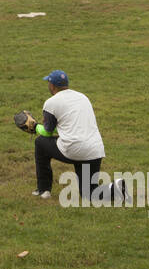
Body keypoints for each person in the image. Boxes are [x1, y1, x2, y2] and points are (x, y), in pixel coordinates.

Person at [30, 70, 130, 203]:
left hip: (73, 149)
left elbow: (48, 132)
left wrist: (34, 127)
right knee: (90, 194)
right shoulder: (83, 97)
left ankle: (43, 190)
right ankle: (116, 188)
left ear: (52, 85)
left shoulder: (51, 102)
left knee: (40, 143)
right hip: (94, 150)